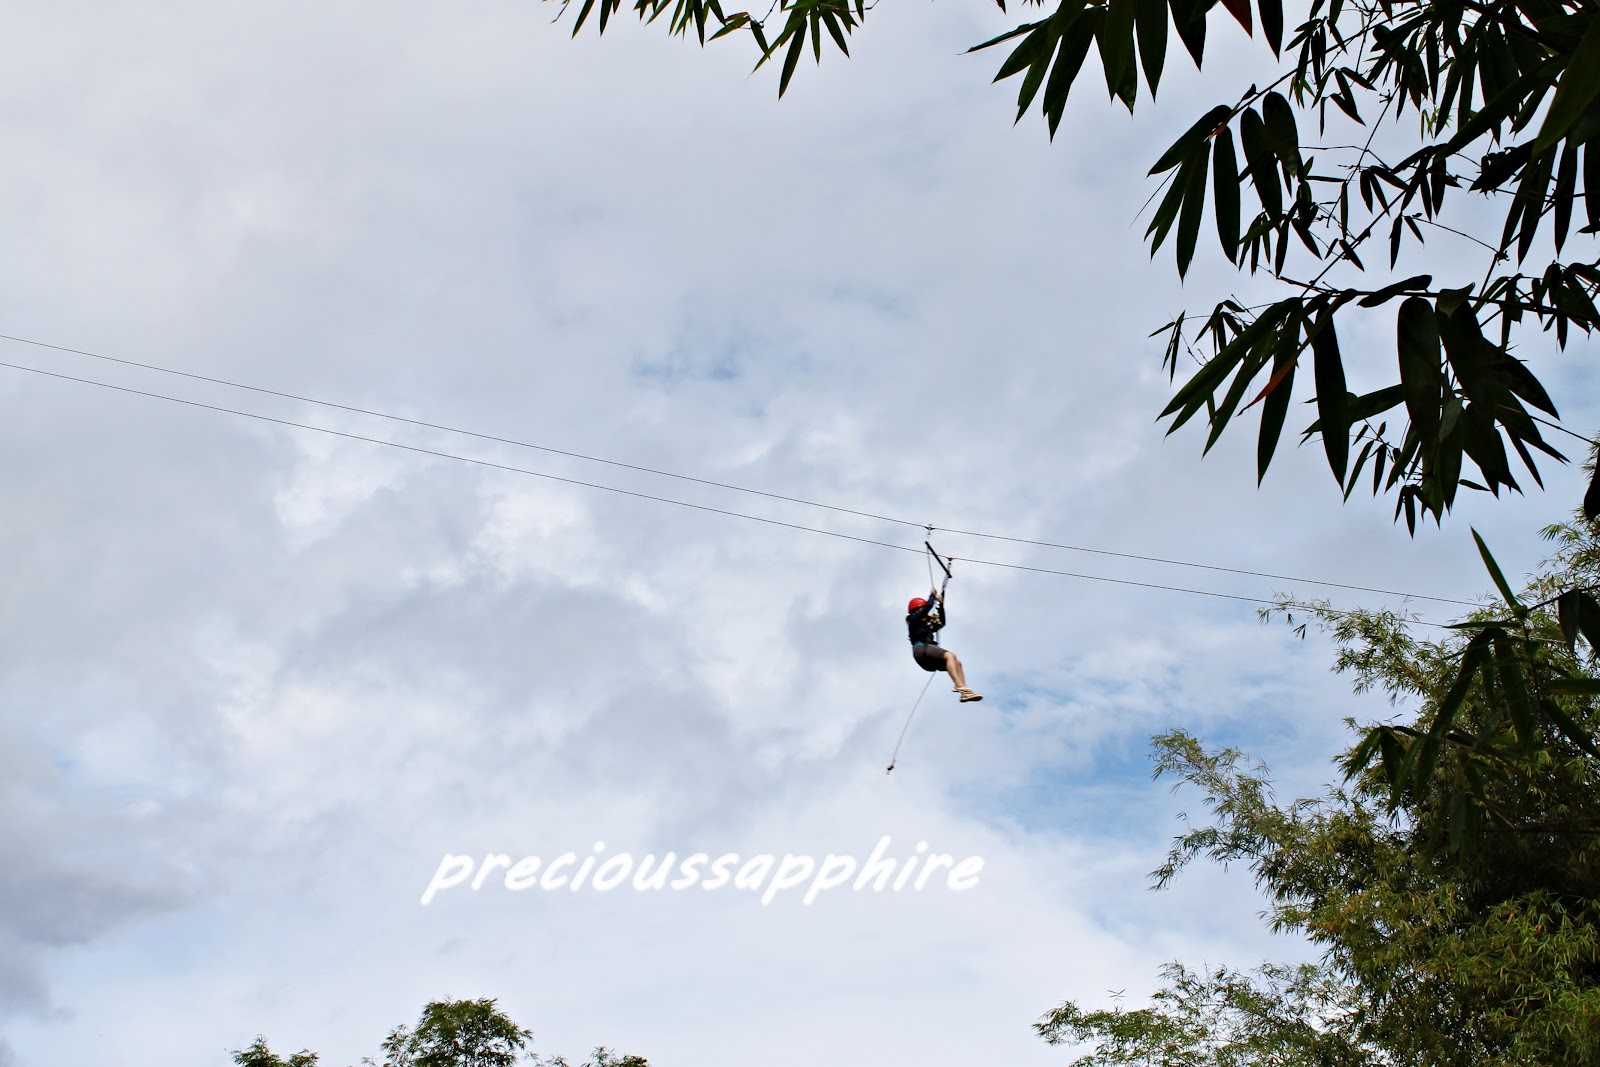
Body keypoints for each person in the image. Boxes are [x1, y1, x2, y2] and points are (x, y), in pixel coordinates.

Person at [906, 589, 982, 701]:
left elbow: (941, 623)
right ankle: (958, 685)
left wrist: (941, 605)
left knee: (958, 663)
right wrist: (932, 595)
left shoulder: (925, 625)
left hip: (926, 656)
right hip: (921, 649)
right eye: (922, 609)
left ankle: (965, 692)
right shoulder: (914, 620)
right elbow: (929, 606)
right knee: (950, 656)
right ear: (917, 610)